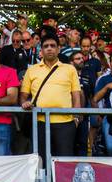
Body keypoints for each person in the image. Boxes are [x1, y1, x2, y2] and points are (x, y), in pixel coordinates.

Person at [20, 30, 82, 158]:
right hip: (40, 122)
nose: (49, 49)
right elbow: (23, 96)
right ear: (41, 50)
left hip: (66, 123)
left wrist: (75, 119)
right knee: (40, 161)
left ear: (59, 49)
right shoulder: (31, 70)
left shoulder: (70, 69)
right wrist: (24, 103)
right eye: (46, 46)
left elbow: (76, 95)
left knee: (63, 163)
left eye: (53, 46)